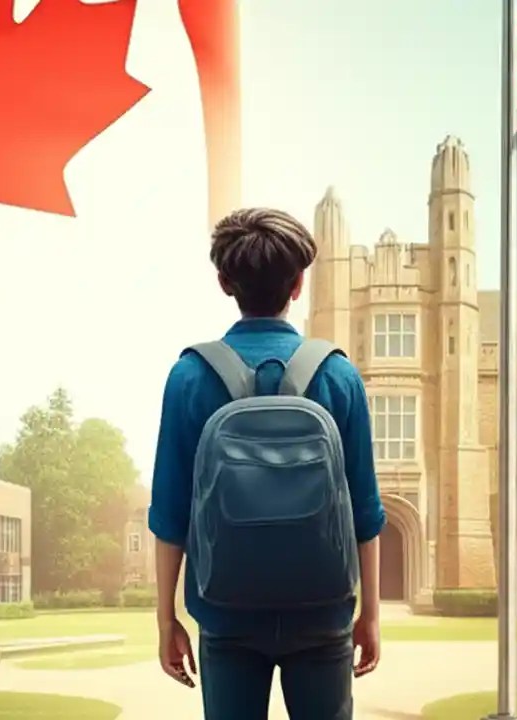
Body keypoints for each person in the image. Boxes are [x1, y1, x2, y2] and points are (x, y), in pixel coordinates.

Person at [148, 207, 386, 719]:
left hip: (226, 613)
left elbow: (170, 513)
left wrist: (166, 618)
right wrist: (371, 613)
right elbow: (365, 509)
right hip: (322, 613)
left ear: (224, 282)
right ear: (298, 285)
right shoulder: (339, 377)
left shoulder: (188, 377)